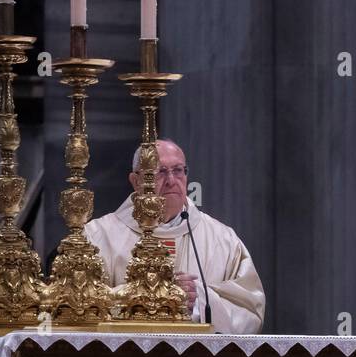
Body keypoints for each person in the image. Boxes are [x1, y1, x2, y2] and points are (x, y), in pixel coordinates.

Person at [85, 139, 265, 333]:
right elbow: (78, 305)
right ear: (136, 181)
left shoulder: (223, 239)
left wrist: (199, 300)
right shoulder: (98, 236)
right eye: (160, 172)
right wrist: (148, 295)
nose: (171, 180)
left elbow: (250, 309)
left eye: (178, 170)